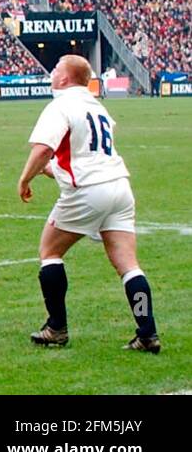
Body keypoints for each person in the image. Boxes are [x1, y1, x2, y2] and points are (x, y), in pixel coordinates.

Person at [18, 55, 160, 353]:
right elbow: (83, 155)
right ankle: (147, 333)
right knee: (128, 265)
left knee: (50, 251)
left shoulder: (60, 105)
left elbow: (44, 149)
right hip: (119, 186)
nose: (53, 72)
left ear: (65, 78)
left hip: (88, 190)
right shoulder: (97, 107)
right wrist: (52, 170)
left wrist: (24, 179)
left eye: (56, 68)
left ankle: (56, 328)